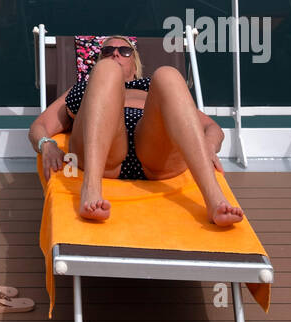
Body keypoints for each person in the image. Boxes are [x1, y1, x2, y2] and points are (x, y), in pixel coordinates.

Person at [28, 35, 243, 227]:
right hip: (104, 157)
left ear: (135, 63)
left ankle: (215, 199)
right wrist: (47, 145)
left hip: (154, 156)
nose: (115, 54)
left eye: (124, 51)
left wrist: (207, 147)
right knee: (107, 71)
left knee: (168, 74)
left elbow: (212, 128)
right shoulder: (85, 87)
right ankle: (91, 189)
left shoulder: (150, 87)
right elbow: (40, 126)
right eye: (107, 51)